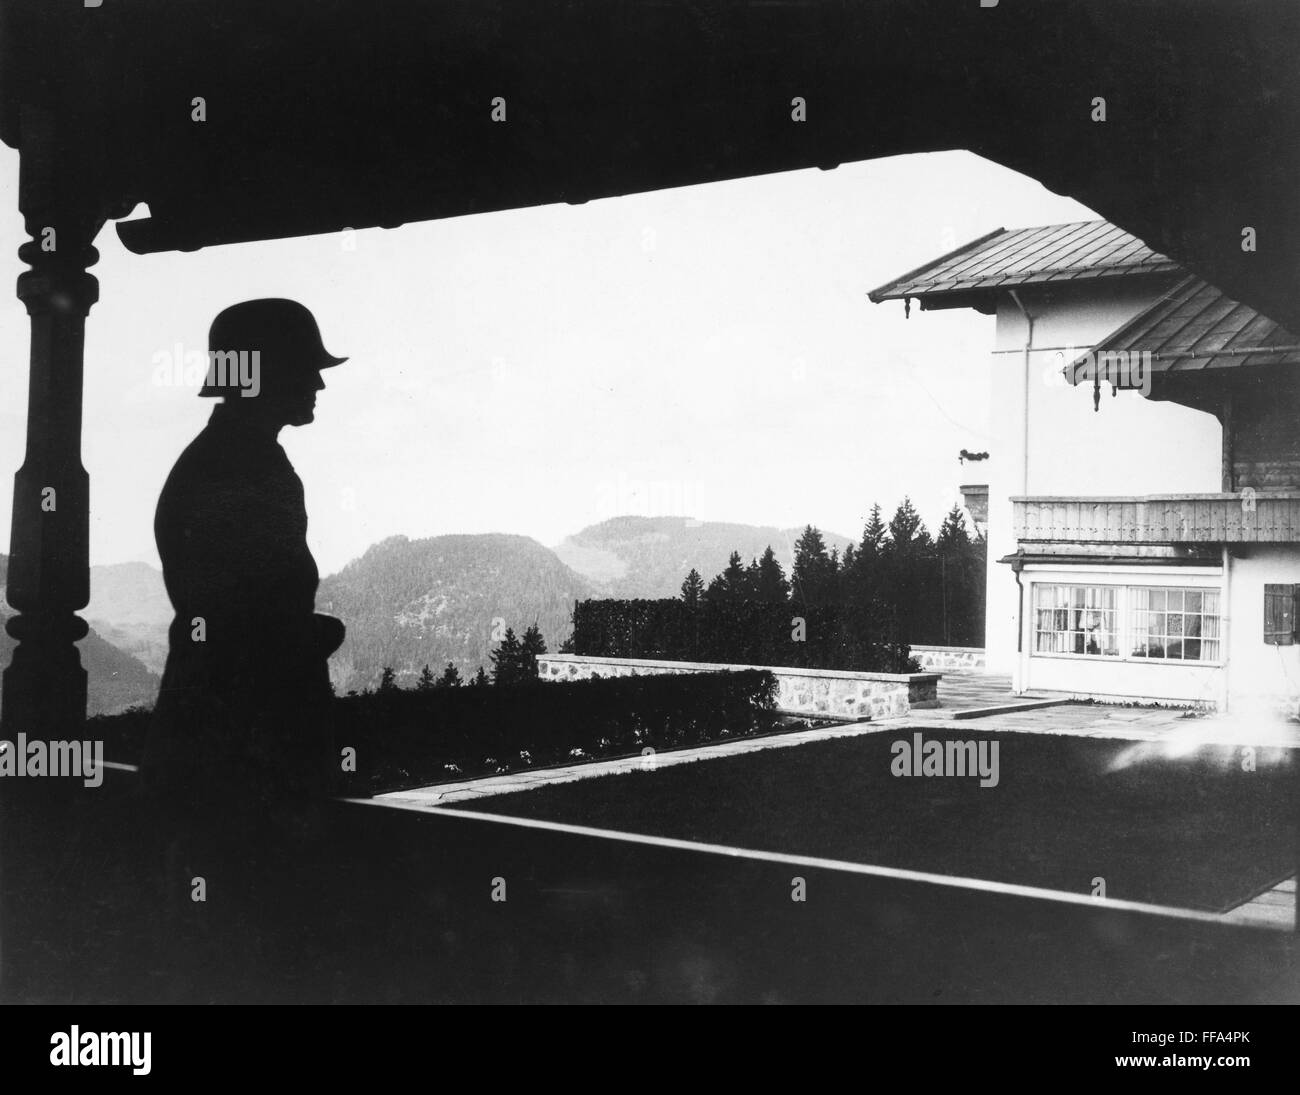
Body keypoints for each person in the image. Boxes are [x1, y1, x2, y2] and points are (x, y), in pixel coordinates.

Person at [143, 299, 348, 824]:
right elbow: (251, 621)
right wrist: (315, 635)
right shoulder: (245, 466)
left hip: (221, 729)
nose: (319, 385)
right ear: (266, 372)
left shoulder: (225, 458)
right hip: (247, 741)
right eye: (306, 369)